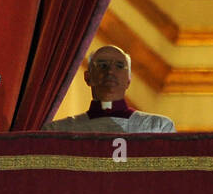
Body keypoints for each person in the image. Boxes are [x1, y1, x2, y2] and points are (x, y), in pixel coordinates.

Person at [43, 45, 174, 132]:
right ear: (88, 77)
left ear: (128, 80)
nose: (110, 71)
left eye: (119, 65)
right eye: (102, 65)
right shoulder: (58, 131)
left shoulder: (158, 127)